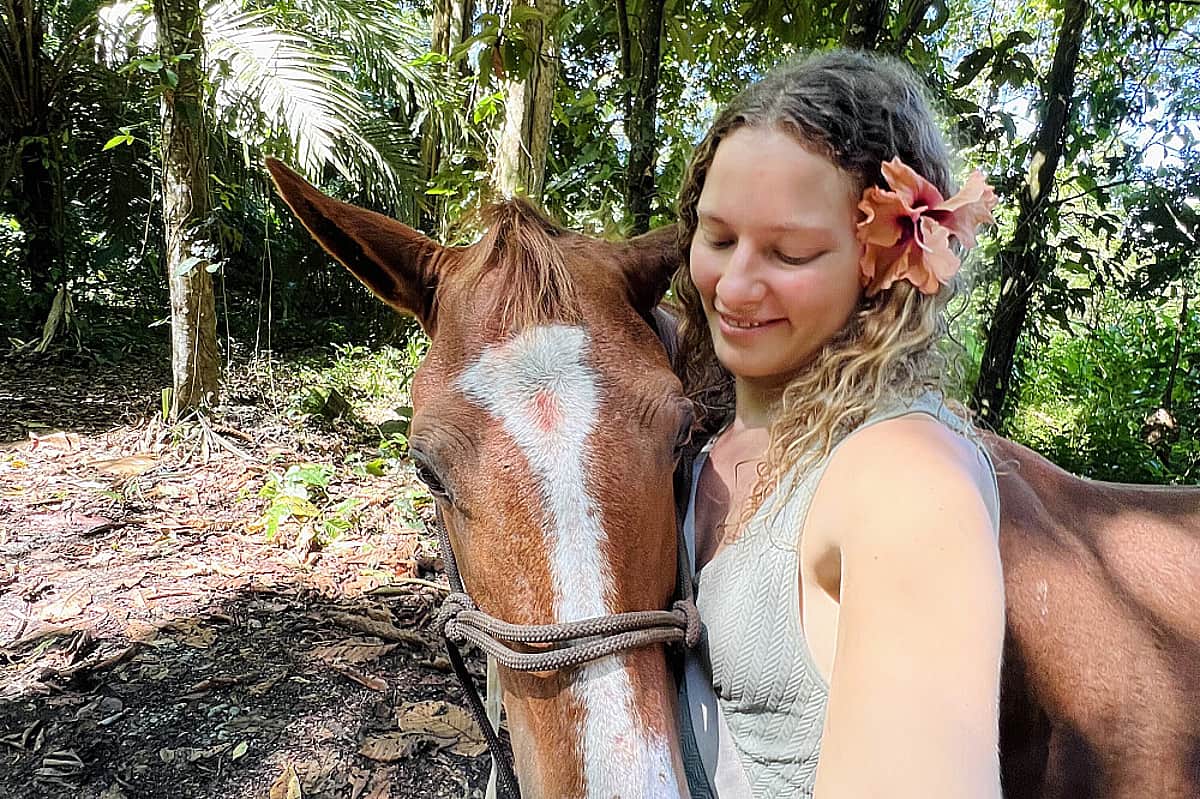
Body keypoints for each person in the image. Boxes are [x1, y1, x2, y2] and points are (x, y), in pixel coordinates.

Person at [670, 50, 1005, 799]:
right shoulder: (694, 442)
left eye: (790, 253)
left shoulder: (905, 476)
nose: (735, 285)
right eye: (717, 238)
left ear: (882, 261)